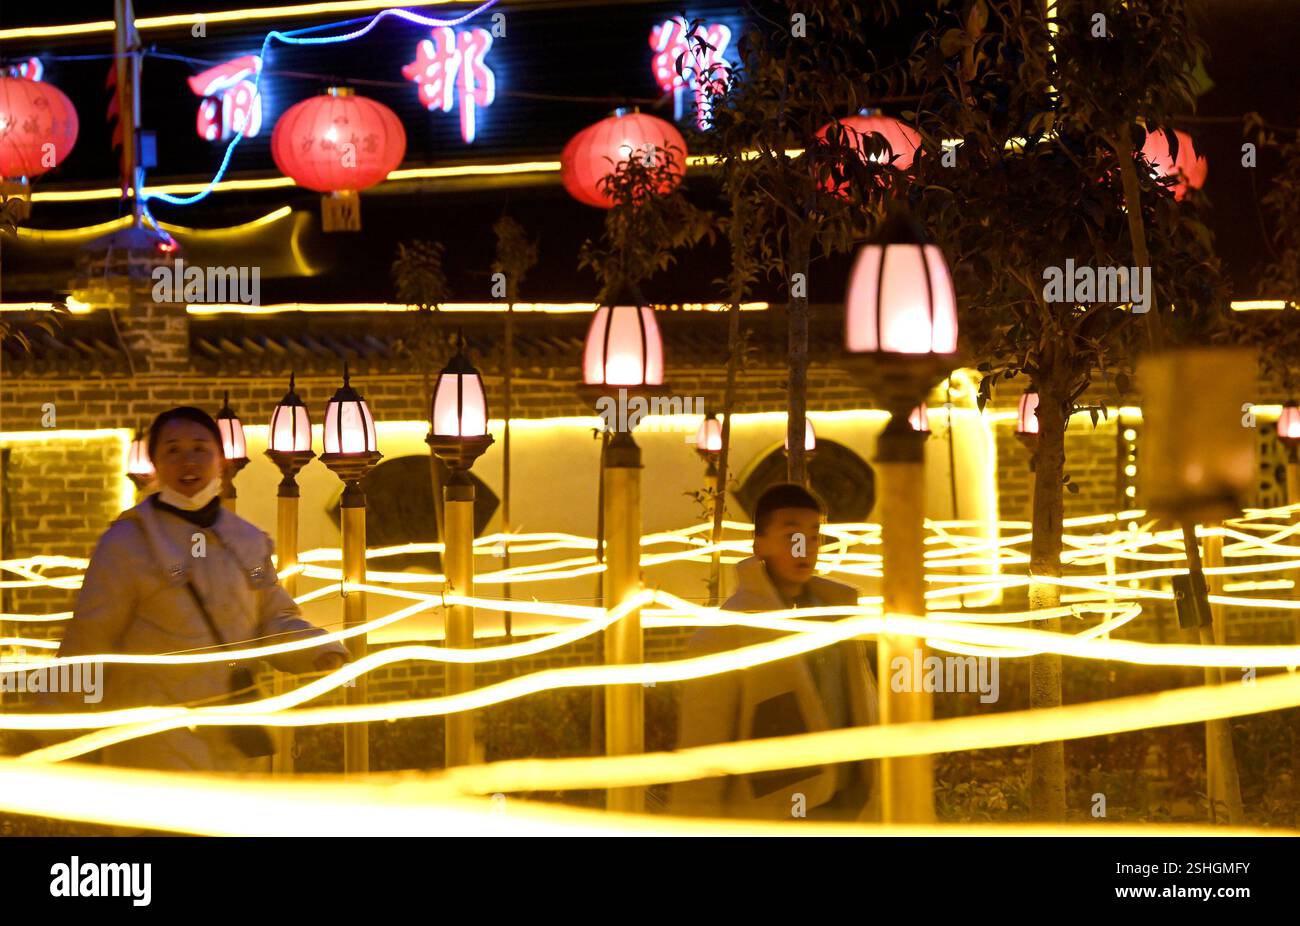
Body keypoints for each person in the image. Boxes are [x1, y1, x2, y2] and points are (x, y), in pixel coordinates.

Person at [51, 406, 347, 773]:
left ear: (220, 460)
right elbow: (90, 639)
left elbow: (274, 618)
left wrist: (319, 650)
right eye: (172, 450)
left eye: (199, 448)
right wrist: (59, 724)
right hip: (154, 737)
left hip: (232, 734)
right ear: (155, 464)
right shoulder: (128, 543)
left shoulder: (246, 541)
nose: (187, 460)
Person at [670, 482, 881, 821]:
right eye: (791, 535)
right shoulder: (728, 634)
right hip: (778, 817)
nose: (805, 548)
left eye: (814, 536)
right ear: (759, 543)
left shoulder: (838, 613)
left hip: (850, 808)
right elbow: (704, 754)